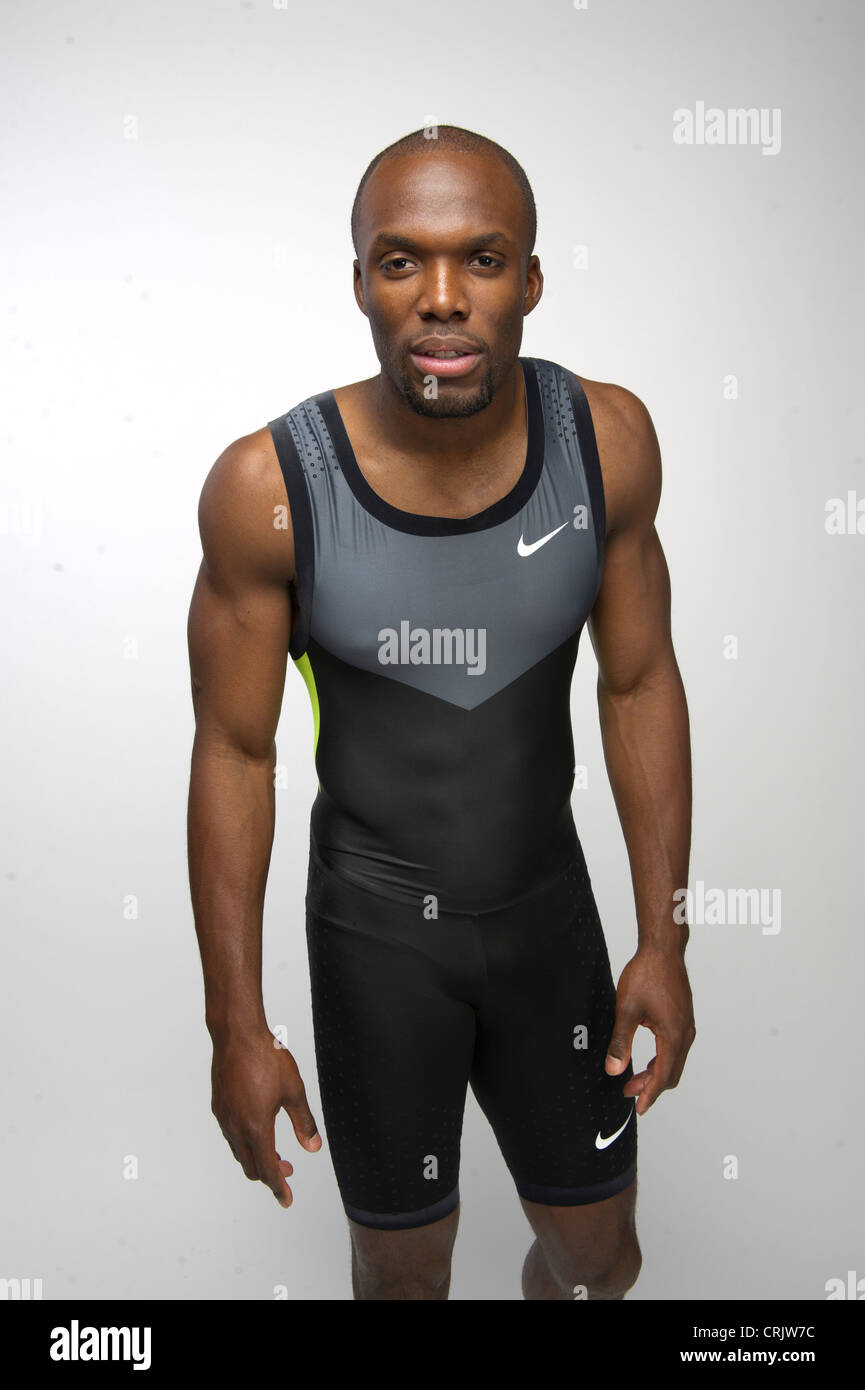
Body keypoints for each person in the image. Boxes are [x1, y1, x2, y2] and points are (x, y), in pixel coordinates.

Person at [186, 124, 695, 1300]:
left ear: (530, 278)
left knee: (593, 1263)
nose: (443, 299)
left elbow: (640, 682)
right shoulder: (268, 488)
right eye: (401, 261)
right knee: (402, 1277)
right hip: (377, 946)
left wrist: (664, 939)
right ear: (360, 278)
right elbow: (233, 749)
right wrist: (236, 1025)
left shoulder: (604, 443)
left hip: (544, 926)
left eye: (481, 258)